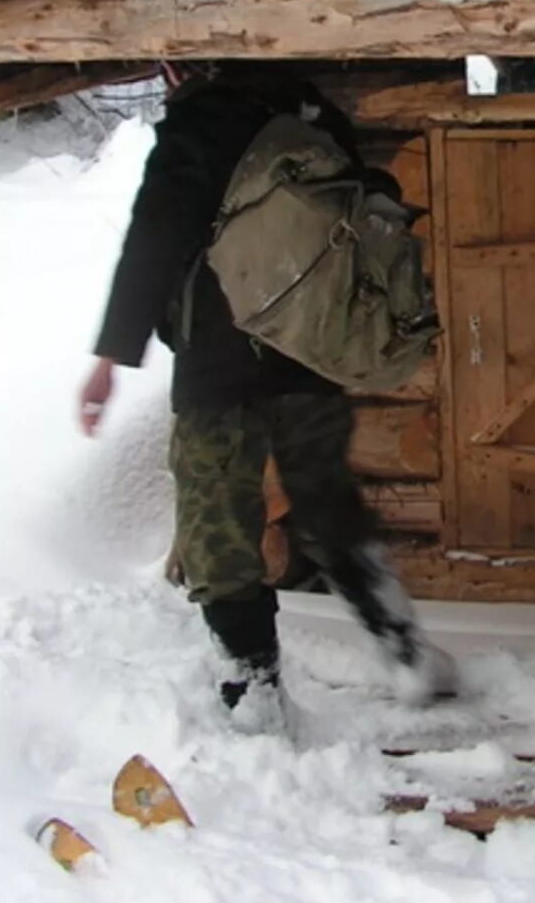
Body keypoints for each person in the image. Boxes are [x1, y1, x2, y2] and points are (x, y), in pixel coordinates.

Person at [77, 63, 456, 725]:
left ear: (183, 66)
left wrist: (112, 352)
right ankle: (402, 645)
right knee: (328, 504)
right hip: (305, 353)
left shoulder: (199, 123)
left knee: (217, 528)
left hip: (217, 363)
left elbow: (156, 231)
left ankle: (252, 692)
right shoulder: (313, 116)